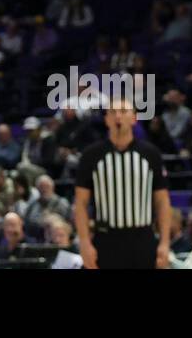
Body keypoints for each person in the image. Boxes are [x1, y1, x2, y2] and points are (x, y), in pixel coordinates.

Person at [73, 100, 172, 269]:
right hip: (106, 239)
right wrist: (84, 242)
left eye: (123, 111)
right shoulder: (91, 156)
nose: (118, 116)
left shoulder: (151, 154)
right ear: (106, 120)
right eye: (112, 112)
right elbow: (80, 203)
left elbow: (162, 201)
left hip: (142, 238)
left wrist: (164, 242)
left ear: (134, 118)